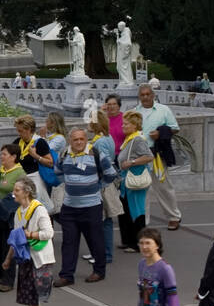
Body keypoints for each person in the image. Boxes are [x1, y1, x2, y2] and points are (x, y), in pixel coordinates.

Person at [52, 127, 117, 287]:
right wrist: (70, 183)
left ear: (86, 139)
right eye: (76, 139)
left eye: (82, 139)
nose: (79, 142)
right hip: (70, 207)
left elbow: (111, 173)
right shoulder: (64, 155)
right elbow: (58, 172)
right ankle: (67, 275)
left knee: (95, 240)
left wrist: (98, 186)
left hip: (92, 206)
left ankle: (99, 271)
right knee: (69, 242)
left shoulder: (96, 154)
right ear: (70, 141)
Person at [2, 177, 54, 306]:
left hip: (39, 258)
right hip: (26, 257)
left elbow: (49, 233)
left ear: (27, 192)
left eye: (17, 190)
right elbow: (16, 239)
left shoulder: (39, 210)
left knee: (35, 293)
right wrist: (8, 259)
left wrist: (30, 234)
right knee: (29, 293)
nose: (14, 193)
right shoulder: (19, 212)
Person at [133, 84, 181, 230]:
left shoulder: (163, 110)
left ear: (153, 95)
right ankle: (143, 220)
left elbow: (175, 128)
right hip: (140, 155)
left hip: (157, 155)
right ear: (139, 97)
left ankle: (173, 216)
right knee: (141, 188)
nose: (146, 97)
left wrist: (161, 133)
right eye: (143, 95)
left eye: (148, 94)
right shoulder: (135, 112)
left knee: (164, 187)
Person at [0, 142, 27, 292]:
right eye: (1, 154)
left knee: (7, 246)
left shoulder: (20, 174)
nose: (1, 156)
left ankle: (9, 279)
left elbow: (24, 195)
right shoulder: (1, 170)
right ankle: (2, 274)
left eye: (4, 154)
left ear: (14, 157)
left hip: (11, 216)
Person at [116, 111, 154, 252]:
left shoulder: (137, 140)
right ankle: (129, 240)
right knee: (128, 211)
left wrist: (132, 162)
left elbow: (149, 156)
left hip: (135, 181)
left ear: (134, 125)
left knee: (137, 211)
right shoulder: (131, 139)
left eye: (126, 124)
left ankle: (138, 243)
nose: (123, 126)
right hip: (128, 182)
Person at [89, 111, 122, 267]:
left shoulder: (99, 141)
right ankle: (101, 251)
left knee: (103, 221)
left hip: (101, 184)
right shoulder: (107, 138)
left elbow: (104, 163)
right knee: (103, 221)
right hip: (105, 183)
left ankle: (105, 253)